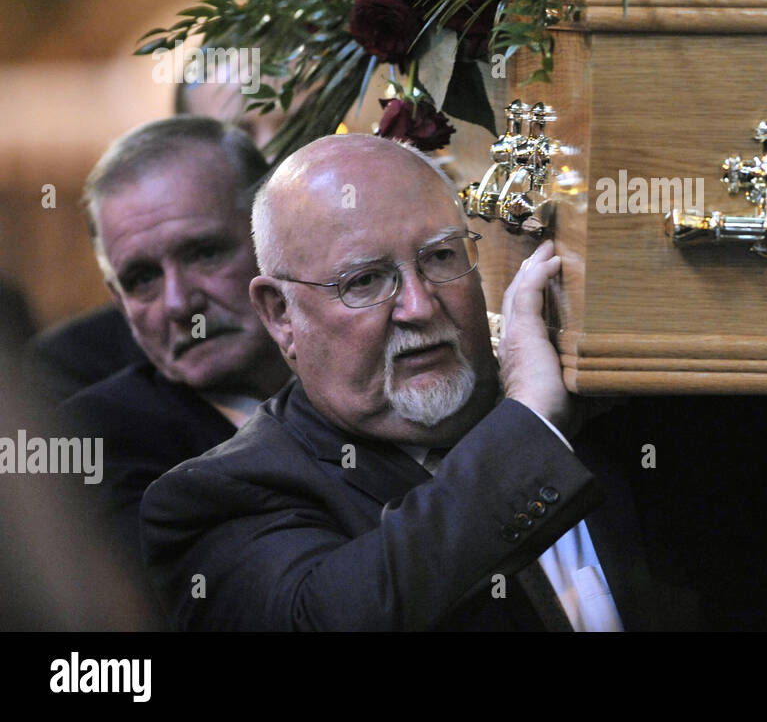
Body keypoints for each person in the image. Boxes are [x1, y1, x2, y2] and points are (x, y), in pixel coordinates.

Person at [140, 134, 693, 631]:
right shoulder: (222, 496)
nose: (418, 305)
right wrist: (529, 427)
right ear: (280, 313)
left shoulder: (620, 413)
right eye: (364, 280)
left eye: (440, 257)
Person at [56, 117, 290, 568]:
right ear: (120, 304)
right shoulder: (90, 445)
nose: (179, 304)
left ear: (278, 241)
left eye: (205, 253)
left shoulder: (378, 368)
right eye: (142, 279)